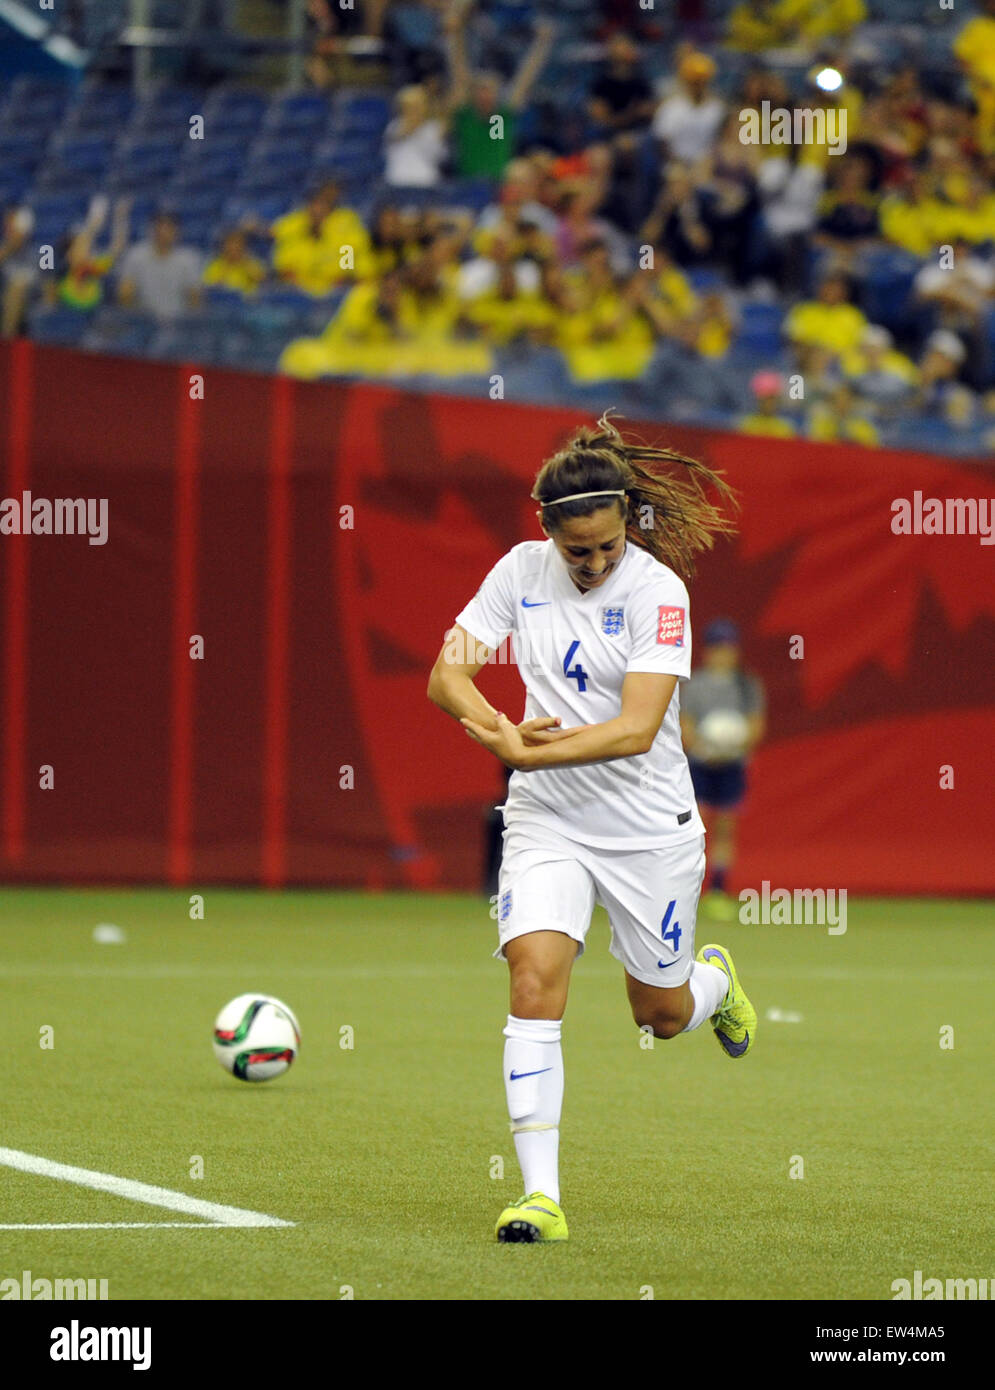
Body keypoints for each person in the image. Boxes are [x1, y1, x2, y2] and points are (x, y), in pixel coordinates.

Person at [427, 413, 757, 1244]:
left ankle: (711, 983)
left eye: (608, 545)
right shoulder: (517, 572)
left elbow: (635, 728)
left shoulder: (657, 592)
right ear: (547, 531)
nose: (597, 563)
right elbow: (447, 674)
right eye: (580, 551)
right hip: (549, 821)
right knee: (534, 976)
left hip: (647, 827)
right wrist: (499, 728)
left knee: (660, 1015)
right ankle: (538, 1196)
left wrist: (524, 754)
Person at [680, 619, 765, 921]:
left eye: (728, 648)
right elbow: (685, 726)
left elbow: (755, 727)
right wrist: (704, 748)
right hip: (700, 765)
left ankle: (717, 889)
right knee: (696, 829)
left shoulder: (747, 685)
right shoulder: (695, 685)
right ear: (707, 651)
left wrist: (732, 748)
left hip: (732, 766)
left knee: (725, 829)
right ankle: (687, 889)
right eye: (717, 647)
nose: (723, 654)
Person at [116, 212, 203, 319]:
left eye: (168, 228)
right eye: (159, 228)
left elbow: (195, 298)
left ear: (177, 232)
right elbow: (125, 293)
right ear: (151, 231)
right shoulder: (135, 256)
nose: (163, 232)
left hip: (179, 322)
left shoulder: (189, 259)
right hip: (144, 321)